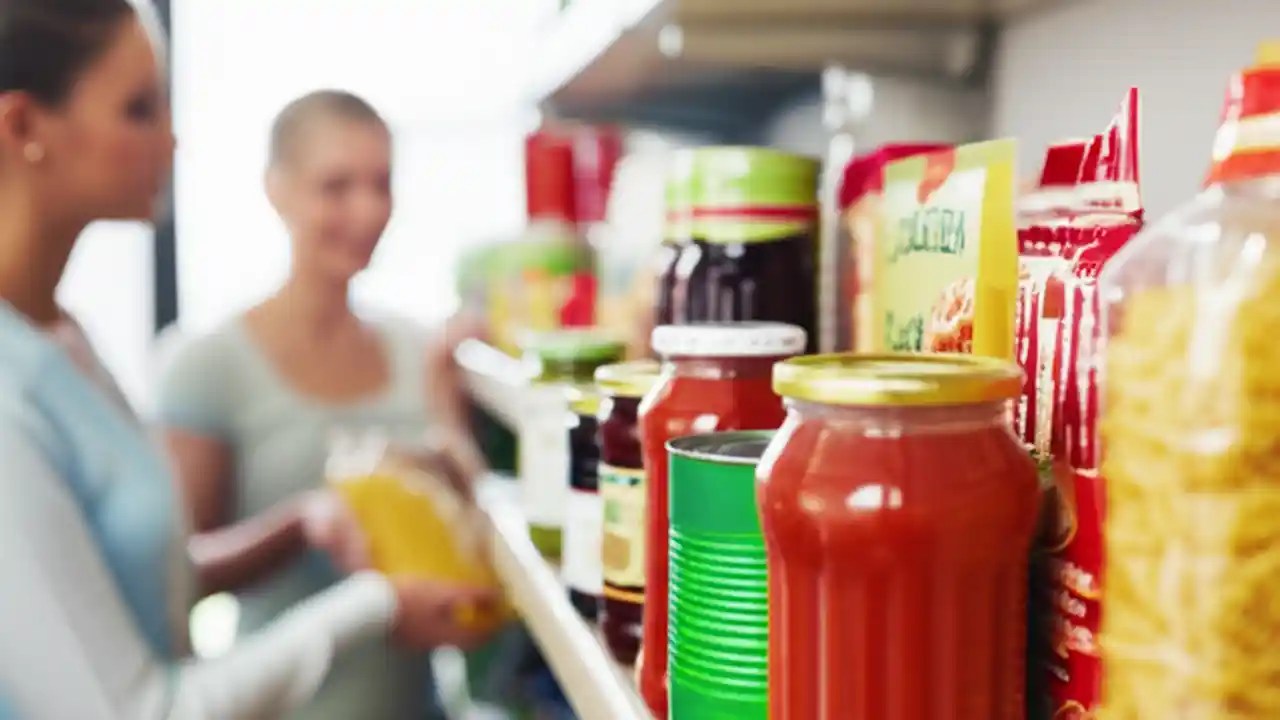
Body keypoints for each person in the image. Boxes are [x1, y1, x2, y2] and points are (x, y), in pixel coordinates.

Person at [0, 1, 494, 718]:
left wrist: (304, 523)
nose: (171, 143)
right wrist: (376, 606)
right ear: (22, 127)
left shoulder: (65, 339)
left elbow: (146, 584)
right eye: (139, 109)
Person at [156, 87, 489, 716]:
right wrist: (302, 521)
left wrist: (450, 407)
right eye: (336, 186)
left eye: (381, 184)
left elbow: (469, 522)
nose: (366, 210)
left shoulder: (419, 349)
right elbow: (185, 576)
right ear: (275, 189)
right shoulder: (207, 364)